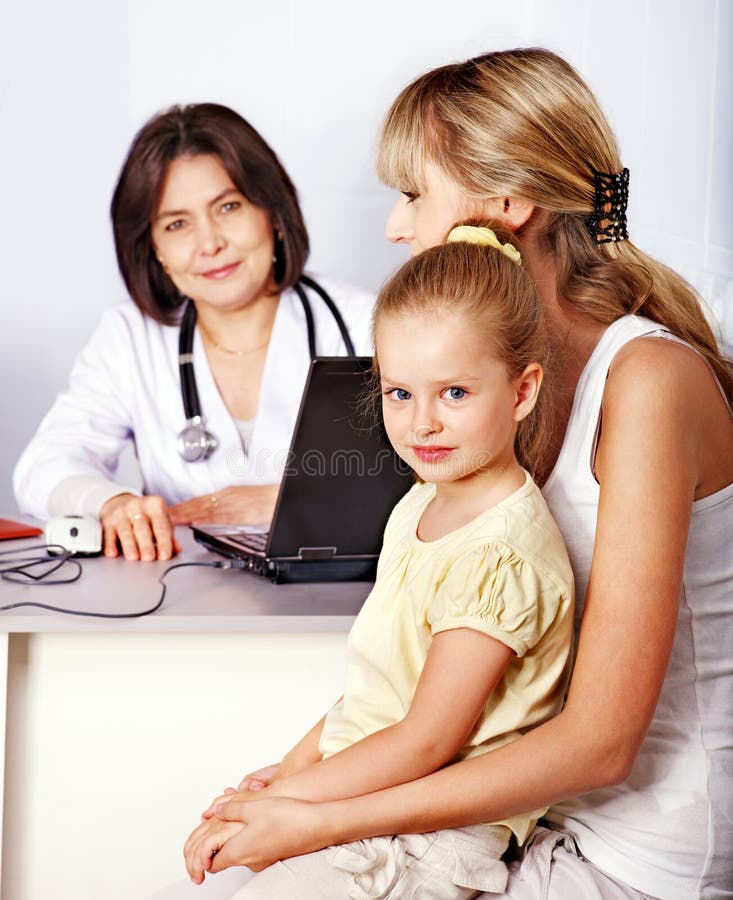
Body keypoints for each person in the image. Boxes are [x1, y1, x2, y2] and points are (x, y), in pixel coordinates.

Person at [166, 48, 733, 900]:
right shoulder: (497, 396)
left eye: (412, 193)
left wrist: (316, 819)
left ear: (505, 205)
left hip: (641, 855)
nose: (396, 227)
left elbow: (601, 744)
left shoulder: (648, 382)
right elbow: (420, 655)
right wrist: (290, 780)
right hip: (535, 822)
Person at [183, 222, 575, 898]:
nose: (420, 422)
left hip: (429, 833)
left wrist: (292, 805)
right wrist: (287, 770)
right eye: (399, 393)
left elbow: (426, 740)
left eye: (453, 393)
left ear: (521, 391)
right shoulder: (417, 505)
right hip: (365, 789)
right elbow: (375, 691)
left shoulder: (500, 554)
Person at [13, 103, 374, 561]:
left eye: (229, 206)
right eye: (177, 224)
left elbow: (436, 473)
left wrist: (292, 500)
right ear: (155, 249)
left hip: (338, 606)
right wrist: (111, 504)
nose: (210, 243)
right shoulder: (130, 337)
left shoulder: (363, 322)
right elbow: (43, 467)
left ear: (273, 214)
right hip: (175, 604)